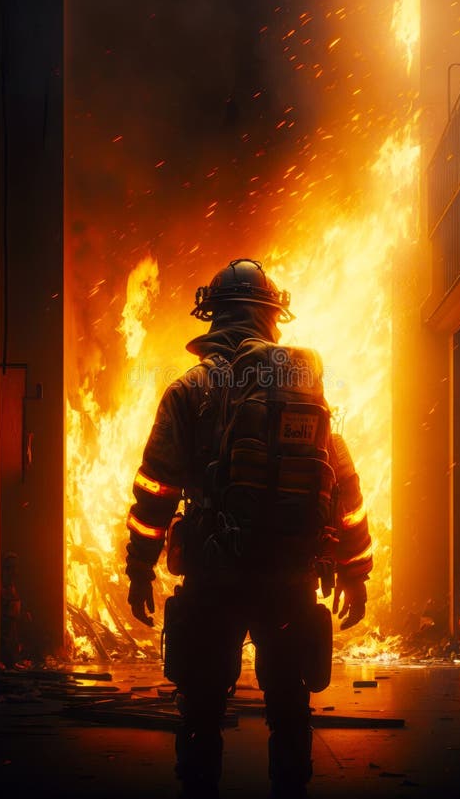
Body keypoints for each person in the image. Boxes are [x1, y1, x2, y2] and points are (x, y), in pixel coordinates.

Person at [125, 258, 373, 799]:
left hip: (215, 580)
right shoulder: (300, 393)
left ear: (211, 315)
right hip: (289, 577)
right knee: (289, 708)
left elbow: (157, 489)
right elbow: (345, 492)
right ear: (272, 316)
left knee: (202, 710)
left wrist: (140, 567)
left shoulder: (190, 390)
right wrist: (357, 572)